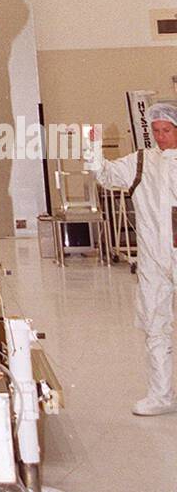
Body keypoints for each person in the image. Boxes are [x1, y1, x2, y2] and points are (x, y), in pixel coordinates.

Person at [84, 102, 177, 416]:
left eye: (167, 131)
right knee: (155, 324)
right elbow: (106, 175)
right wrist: (93, 150)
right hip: (152, 258)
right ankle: (161, 394)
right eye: (156, 131)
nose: (160, 137)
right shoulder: (142, 161)